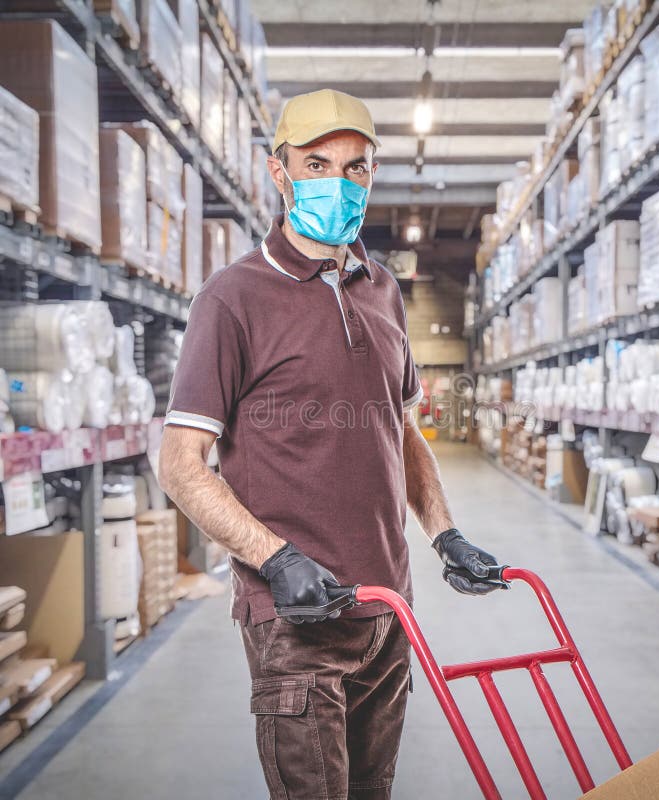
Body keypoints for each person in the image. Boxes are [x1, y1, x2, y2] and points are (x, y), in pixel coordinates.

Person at [158, 88, 506, 800]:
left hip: (389, 611)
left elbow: (400, 430)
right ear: (279, 171)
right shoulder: (232, 298)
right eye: (316, 165)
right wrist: (275, 560)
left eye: (355, 168)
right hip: (298, 620)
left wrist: (444, 534)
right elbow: (180, 466)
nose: (338, 184)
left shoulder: (383, 290)